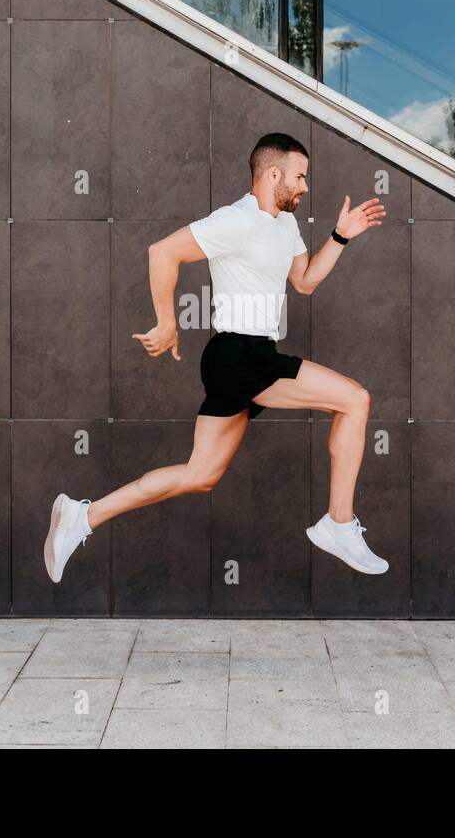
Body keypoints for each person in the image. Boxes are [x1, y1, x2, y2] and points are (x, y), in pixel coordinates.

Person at [45, 132, 386, 583]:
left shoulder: (283, 223)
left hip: (252, 356)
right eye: (300, 177)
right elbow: (162, 252)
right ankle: (338, 524)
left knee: (199, 475)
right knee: (355, 400)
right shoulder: (236, 220)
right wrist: (168, 322)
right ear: (272, 174)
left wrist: (340, 236)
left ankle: (81, 517)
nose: (305, 186)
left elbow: (304, 280)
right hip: (238, 356)